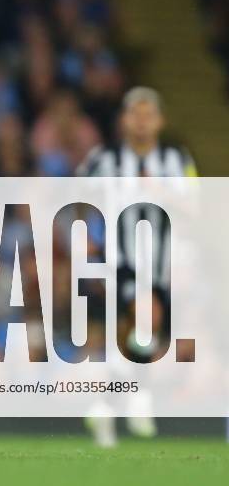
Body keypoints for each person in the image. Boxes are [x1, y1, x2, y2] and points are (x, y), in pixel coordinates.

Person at [78, 86, 197, 447]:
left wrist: (165, 195)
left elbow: (196, 209)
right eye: (135, 113)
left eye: (149, 114)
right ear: (124, 119)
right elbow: (77, 198)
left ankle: (106, 405)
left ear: (160, 120)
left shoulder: (177, 159)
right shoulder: (105, 158)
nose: (142, 121)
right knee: (147, 316)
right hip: (120, 257)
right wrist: (84, 238)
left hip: (160, 263)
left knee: (139, 333)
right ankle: (139, 394)